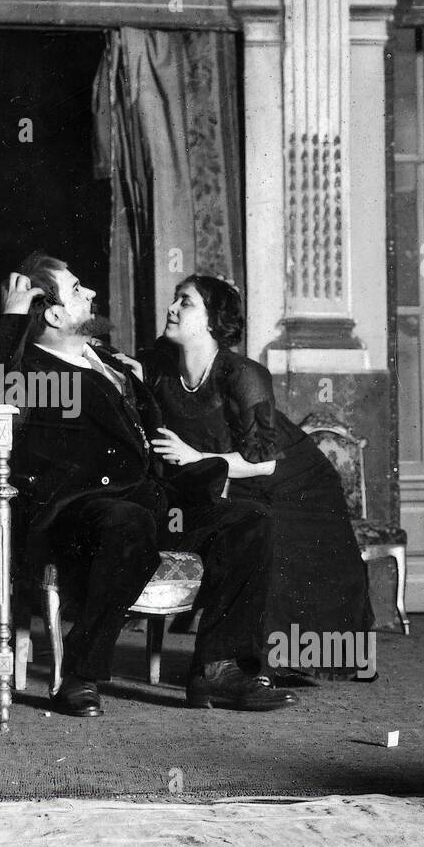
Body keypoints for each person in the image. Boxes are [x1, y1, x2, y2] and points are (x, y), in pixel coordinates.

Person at [0, 252, 296, 716]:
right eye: (76, 290)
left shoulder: (109, 362)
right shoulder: (36, 373)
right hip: (81, 513)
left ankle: (219, 669)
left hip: (151, 503)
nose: (90, 294)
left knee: (250, 520)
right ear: (52, 314)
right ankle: (80, 674)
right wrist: (10, 317)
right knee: (126, 522)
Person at [141, 274, 375, 683]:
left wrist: (198, 457)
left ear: (213, 320)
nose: (172, 308)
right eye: (175, 299)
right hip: (239, 476)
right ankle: (253, 664)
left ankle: (283, 664)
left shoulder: (243, 373)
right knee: (253, 546)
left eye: (186, 302)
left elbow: (265, 461)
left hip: (297, 478)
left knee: (296, 562)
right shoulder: (162, 366)